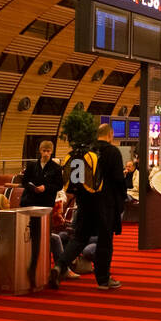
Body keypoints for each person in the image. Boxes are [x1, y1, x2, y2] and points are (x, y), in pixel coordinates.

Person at [49, 123, 124, 290]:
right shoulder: (112, 152)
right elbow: (119, 180)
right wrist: (120, 203)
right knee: (105, 241)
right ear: (110, 134)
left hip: (85, 202)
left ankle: (59, 266)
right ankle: (103, 280)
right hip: (106, 204)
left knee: (79, 238)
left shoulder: (86, 152)